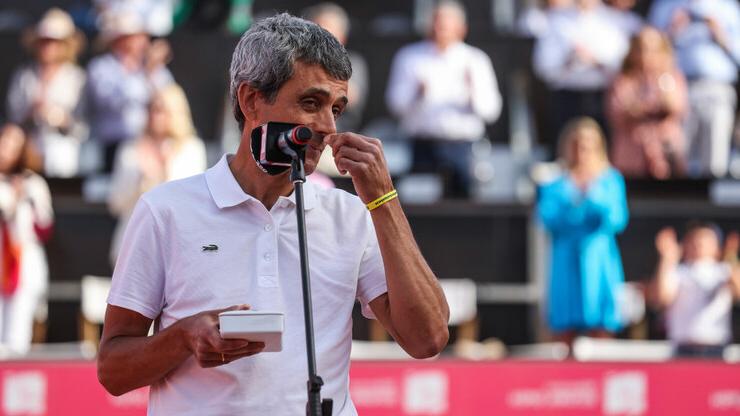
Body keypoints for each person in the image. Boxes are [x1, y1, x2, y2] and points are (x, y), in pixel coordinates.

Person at [97, 13, 449, 415]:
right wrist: (182, 338)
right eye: (310, 103)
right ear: (251, 101)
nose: (327, 126)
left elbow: (428, 340)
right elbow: (112, 370)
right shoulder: (165, 211)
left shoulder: (350, 215)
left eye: (337, 108)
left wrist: (383, 200)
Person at [386, 0, 502, 199]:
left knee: (464, 206)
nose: (440, 29)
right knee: (420, 206)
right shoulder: (409, 57)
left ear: (461, 28)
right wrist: (417, 93)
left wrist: (473, 90)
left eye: (446, 24)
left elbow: (491, 111)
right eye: (437, 23)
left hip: (463, 149)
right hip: (422, 147)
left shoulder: (475, 59)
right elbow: (395, 104)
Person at [537, 117, 629, 348]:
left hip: (599, 259)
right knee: (564, 330)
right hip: (565, 259)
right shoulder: (555, 183)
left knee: (602, 325)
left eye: (588, 145)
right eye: (577, 144)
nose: (582, 151)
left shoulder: (610, 180)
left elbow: (617, 219)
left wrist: (591, 198)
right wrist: (577, 206)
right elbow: (547, 218)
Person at [108, 84, 207, 265]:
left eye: (161, 109)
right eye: (152, 108)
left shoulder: (191, 149)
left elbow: (193, 200)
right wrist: (141, 179)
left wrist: (164, 168)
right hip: (134, 243)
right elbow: (115, 202)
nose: (155, 115)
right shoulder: (130, 149)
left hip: (176, 245)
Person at [649, 0, 740, 177]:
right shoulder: (665, 6)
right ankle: (684, 200)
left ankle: (712, 204)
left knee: (715, 157)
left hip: (717, 88)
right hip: (677, 88)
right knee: (682, 153)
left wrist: (720, 34)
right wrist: (671, 31)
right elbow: (647, 50)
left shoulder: (728, 8)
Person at [81, 8, 174, 173]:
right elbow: (109, 101)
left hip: (149, 147)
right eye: (133, 36)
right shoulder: (101, 68)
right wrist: (143, 72)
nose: (140, 41)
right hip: (110, 147)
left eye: (140, 36)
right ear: (118, 40)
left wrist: (150, 72)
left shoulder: (155, 69)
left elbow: (169, 100)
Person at [533, 0, 629, 157]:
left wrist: (597, 60)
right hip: (567, 97)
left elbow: (622, 64)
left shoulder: (613, 21)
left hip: (602, 97)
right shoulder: (556, 21)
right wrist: (569, 59)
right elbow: (544, 67)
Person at [6, 8, 87, 178]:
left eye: (54, 41)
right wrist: (31, 112)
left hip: (66, 150)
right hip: (28, 151)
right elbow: (13, 118)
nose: (48, 47)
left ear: (65, 45)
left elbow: (84, 125)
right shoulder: (24, 75)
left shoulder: (76, 78)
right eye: (44, 41)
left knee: (62, 154)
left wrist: (62, 119)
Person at [606, 26, 688, 179]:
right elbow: (619, 113)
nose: (646, 55)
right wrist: (646, 108)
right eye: (641, 49)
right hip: (631, 155)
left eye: (653, 49)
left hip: (666, 153)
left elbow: (675, 107)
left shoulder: (671, 77)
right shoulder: (623, 80)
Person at [0, 124, 53, 355]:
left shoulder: (34, 183)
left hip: (24, 263)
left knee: (18, 335)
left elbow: (44, 229)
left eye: (14, 143)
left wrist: (24, 200)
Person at [653, 223, 740, 358]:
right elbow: (663, 297)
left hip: (716, 348)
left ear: (716, 247)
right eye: (695, 241)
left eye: (705, 242)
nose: (699, 246)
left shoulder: (724, 271)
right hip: (683, 347)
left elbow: (737, 292)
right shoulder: (679, 272)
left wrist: (731, 256)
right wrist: (667, 258)